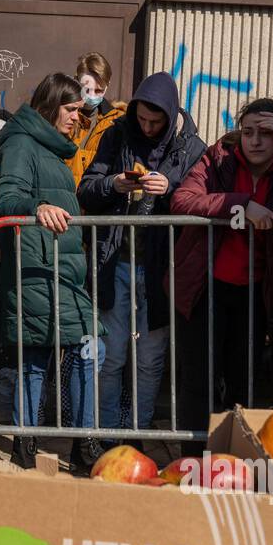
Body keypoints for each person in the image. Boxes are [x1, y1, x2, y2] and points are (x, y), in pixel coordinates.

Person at [78, 72, 206, 436]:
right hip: (114, 263)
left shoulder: (191, 147)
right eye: (142, 119)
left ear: (170, 116)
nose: (148, 128)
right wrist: (114, 183)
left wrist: (170, 190)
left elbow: (200, 200)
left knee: (150, 360)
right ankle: (105, 433)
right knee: (111, 356)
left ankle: (138, 430)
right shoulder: (117, 135)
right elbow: (87, 189)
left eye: (156, 121)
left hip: (162, 270)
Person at [169, 99, 273, 434]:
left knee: (242, 383)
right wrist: (243, 205)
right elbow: (183, 199)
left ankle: (234, 459)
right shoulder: (218, 158)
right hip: (204, 288)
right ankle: (195, 463)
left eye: (267, 133)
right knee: (198, 380)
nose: (255, 141)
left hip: (256, 293)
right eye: (248, 132)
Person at [0, 73, 106, 468]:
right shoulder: (22, 143)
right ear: (50, 104)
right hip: (35, 268)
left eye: (80, 110)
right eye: (71, 109)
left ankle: (77, 443)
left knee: (82, 350)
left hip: (60, 268)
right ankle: (38, 446)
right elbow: (7, 198)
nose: (78, 117)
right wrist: (36, 207)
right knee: (40, 357)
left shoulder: (51, 149)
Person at [67, 52, 127, 186]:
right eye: (86, 89)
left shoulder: (116, 122)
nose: (92, 96)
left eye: (99, 91)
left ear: (107, 86)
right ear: (76, 80)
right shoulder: (63, 114)